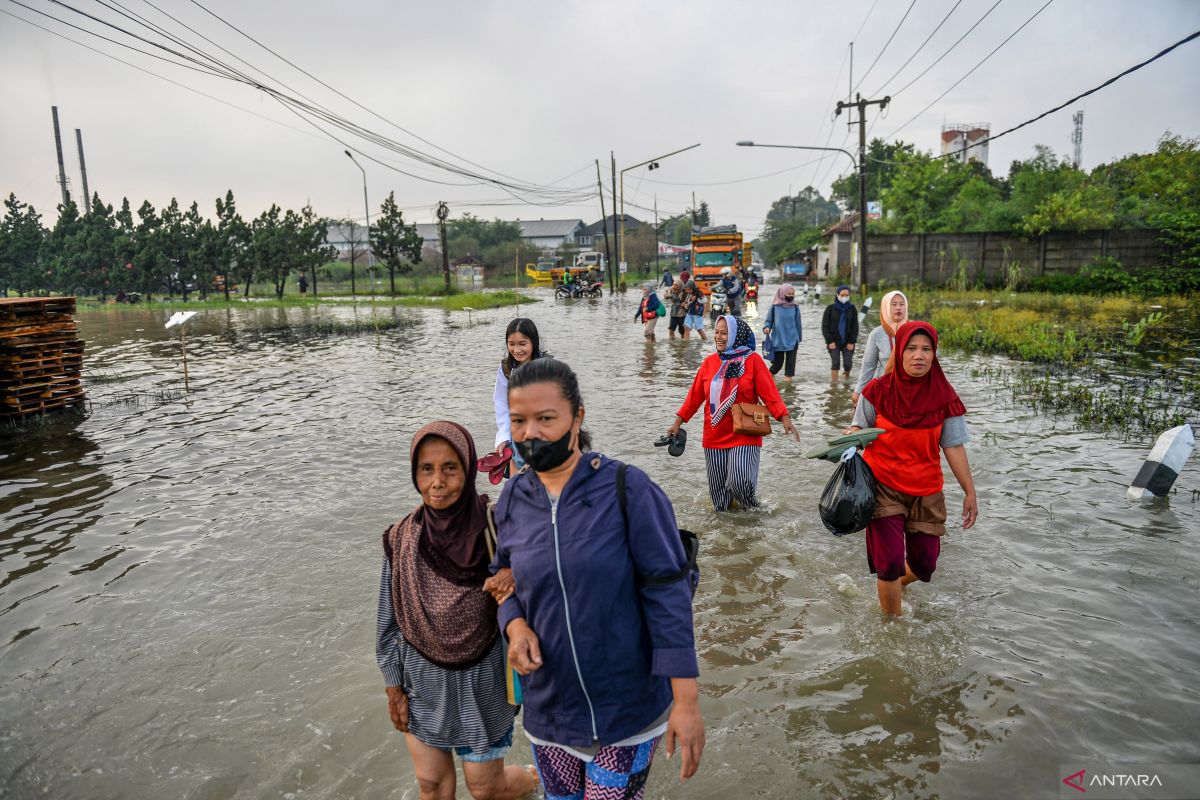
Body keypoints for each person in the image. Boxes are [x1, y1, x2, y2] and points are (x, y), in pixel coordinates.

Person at [493, 358, 705, 799]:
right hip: (549, 710)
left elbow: (669, 594)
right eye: (519, 421)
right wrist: (514, 627)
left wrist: (686, 701)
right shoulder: (512, 498)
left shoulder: (628, 490)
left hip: (628, 711)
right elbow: (502, 578)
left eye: (545, 419)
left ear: (578, 417)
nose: (530, 433)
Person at [376, 421, 539, 800]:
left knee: (486, 789)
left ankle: (531, 779)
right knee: (431, 787)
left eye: (450, 468)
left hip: (482, 686)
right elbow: (388, 622)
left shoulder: (497, 526)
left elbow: (550, 558)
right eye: (426, 469)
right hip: (423, 688)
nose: (438, 481)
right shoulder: (401, 538)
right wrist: (393, 688)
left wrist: (515, 570)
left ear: (468, 470)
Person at [845, 321, 978, 616]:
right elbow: (859, 426)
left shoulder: (944, 397)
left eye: (926, 349)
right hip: (882, 486)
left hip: (926, 491)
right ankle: (892, 626)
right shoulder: (876, 391)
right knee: (890, 563)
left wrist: (970, 492)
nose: (919, 355)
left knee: (924, 564)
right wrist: (851, 437)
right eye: (912, 348)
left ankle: (893, 585)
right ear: (900, 352)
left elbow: (954, 446)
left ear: (934, 354)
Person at [668, 315, 800, 511]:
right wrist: (677, 423)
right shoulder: (708, 363)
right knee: (720, 502)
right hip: (714, 435)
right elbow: (694, 397)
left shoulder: (752, 361)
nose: (719, 337)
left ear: (735, 336)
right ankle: (729, 534)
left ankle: (756, 514)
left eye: (724, 333)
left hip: (745, 433)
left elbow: (770, 393)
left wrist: (784, 417)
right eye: (717, 333)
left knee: (739, 483)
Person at [493, 318, 545, 474]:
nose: (516, 350)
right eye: (511, 344)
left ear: (533, 342)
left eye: (522, 344)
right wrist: (503, 437)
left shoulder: (548, 366)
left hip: (545, 432)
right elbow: (501, 402)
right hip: (517, 431)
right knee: (517, 470)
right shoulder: (506, 368)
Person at [852, 290, 909, 406]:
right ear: (886, 307)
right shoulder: (877, 334)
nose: (898, 308)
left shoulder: (916, 330)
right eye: (893, 304)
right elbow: (868, 367)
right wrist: (858, 392)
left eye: (901, 304)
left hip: (912, 388)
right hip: (886, 389)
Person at [763, 284, 802, 383]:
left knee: (790, 369)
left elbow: (798, 324)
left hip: (793, 340)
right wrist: (767, 328)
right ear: (782, 294)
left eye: (792, 294)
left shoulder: (795, 307)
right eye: (788, 294)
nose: (791, 296)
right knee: (777, 365)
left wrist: (799, 339)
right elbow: (768, 321)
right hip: (778, 340)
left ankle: (789, 394)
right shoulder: (775, 307)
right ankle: (766, 380)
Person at [822, 285, 858, 382]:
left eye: (846, 295)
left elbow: (855, 327)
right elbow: (824, 327)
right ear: (837, 295)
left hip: (848, 341)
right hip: (833, 341)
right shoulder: (830, 309)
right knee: (835, 362)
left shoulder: (852, 309)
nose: (844, 297)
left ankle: (846, 379)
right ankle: (834, 385)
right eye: (842, 295)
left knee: (848, 364)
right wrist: (830, 341)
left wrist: (852, 341)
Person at [666, 275, 688, 339]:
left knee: (682, 330)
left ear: (680, 286)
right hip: (673, 313)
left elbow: (688, 301)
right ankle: (672, 343)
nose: (675, 288)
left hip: (681, 314)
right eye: (674, 285)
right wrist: (666, 296)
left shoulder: (684, 293)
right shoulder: (672, 291)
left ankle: (683, 343)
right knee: (671, 329)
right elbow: (667, 296)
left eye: (677, 286)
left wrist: (685, 303)